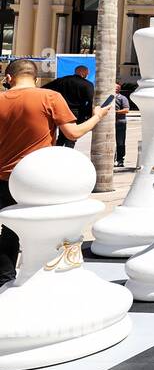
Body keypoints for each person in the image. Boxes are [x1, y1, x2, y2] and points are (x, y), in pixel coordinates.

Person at [1, 58, 109, 285]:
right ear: (36, 79)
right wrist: (98, 116)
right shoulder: (49, 97)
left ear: (8, 78)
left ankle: (5, 279)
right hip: (37, 178)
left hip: (3, 176)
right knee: (43, 228)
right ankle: (40, 278)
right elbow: (73, 133)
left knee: (8, 230)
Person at [43, 64, 95, 147]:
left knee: (61, 136)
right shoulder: (87, 84)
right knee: (71, 138)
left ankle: (56, 153)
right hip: (77, 112)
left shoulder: (61, 80)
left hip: (61, 110)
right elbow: (90, 101)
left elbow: (44, 89)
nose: (87, 75)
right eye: (86, 73)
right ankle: (67, 155)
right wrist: (88, 115)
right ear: (82, 72)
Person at [113, 83, 130, 167]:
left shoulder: (122, 98)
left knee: (120, 142)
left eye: (114, 87)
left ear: (118, 89)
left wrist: (114, 112)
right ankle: (112, 159)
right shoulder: (107, 98)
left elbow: (126, 110)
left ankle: (120, 160)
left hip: (120, 123)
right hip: (110, 123)